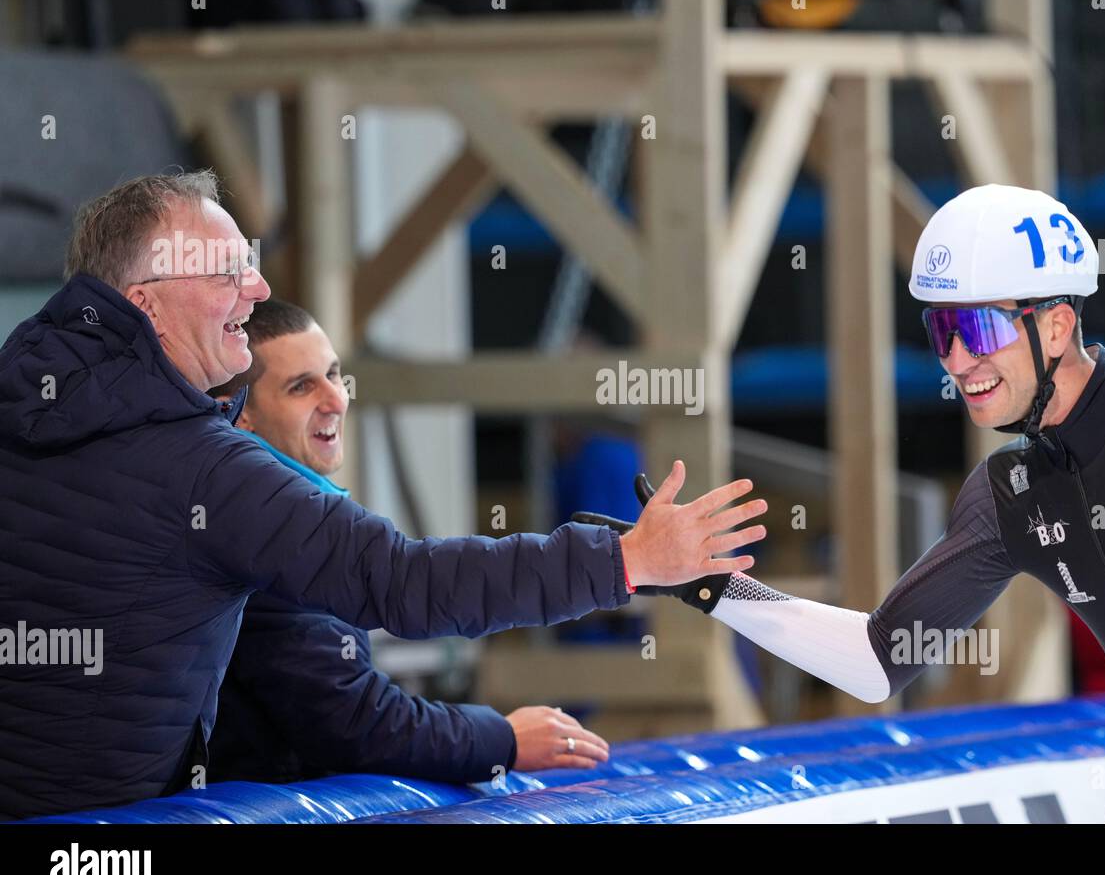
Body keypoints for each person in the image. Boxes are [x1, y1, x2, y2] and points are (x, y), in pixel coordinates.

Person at [0, 170, 766, 820]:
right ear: (147, 301)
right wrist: (626, 559)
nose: (259, 288)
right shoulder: (202, 468)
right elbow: (401, 582)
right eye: (228, 271)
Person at [593, 184, 1105, 823]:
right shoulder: (1009, 498)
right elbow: (878, 660)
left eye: (980, 329)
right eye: (942, 332)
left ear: (1055, 326)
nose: (957, 361)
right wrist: (711, 586)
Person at [204, 299, 609, 783]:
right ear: (240, 415)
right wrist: (504, 739)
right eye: (301, 387)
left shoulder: (289, 512)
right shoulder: (263, 527)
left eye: (333, 375)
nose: (335, 399)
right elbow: (351, 724)